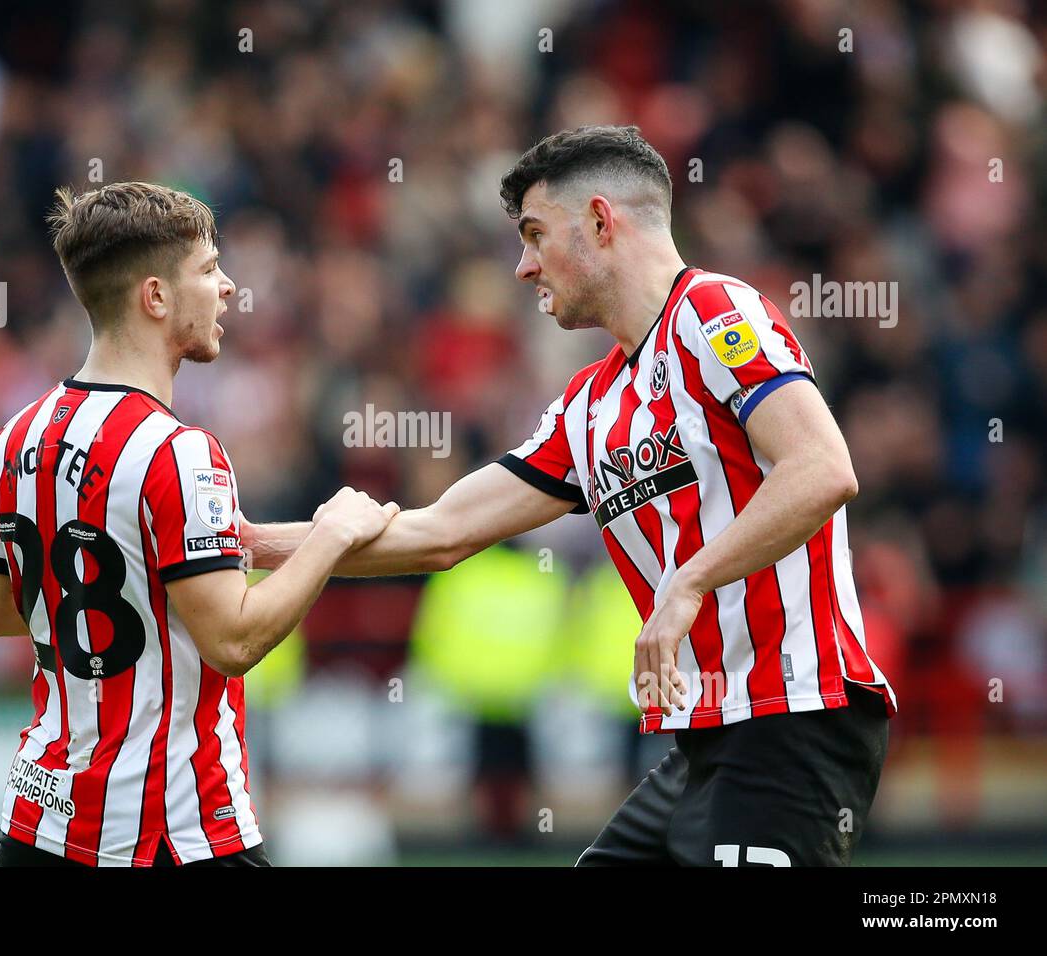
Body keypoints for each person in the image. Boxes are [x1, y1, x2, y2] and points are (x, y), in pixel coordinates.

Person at [244, 126, 897, 866]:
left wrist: (690, 581)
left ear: (598, 221)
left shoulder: (717, 314)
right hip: (705, 740)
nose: (522, 267)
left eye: (533, 234)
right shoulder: (591, 404)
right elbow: (440, 532)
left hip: (795, 718)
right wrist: (244, 544)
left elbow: (822, 468)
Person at [0, 182, 396, 867]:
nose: (227, 288)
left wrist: (146, 588)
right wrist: (331, 534)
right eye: (208, 269)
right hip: (170, 830)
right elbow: (234, 639)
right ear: (156, 297)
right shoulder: (179, 452)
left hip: (38, 827)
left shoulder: (14, 439)